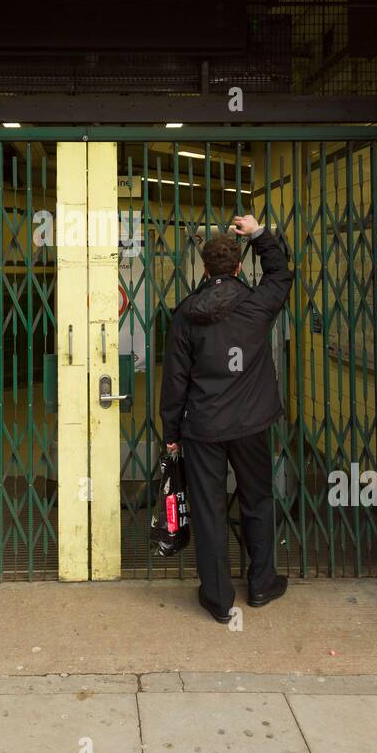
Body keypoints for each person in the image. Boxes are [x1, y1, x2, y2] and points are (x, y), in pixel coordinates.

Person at [160, 216, 294, 622]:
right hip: (252, 425)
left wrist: (170, 432)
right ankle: (261, 583)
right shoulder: (257, 303)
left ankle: (218, 599)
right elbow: (280, 273)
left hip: (203, 428)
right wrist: (257, 233)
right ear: (238, 267)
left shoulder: (185, 314)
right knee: (257, 500)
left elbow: (175, 379)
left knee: (208, 508)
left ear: (204, 269)